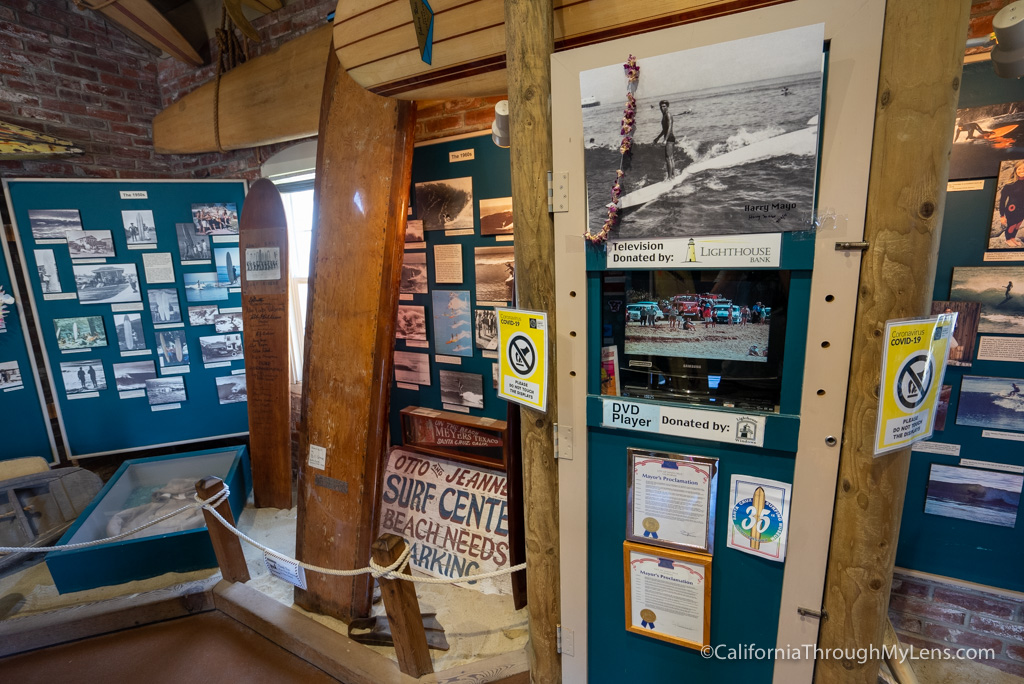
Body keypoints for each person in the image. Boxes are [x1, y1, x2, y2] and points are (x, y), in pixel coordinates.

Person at [997, 162, 1024, 246]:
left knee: (1018, 224)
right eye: (1019, 169)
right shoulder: (1009, 185)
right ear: (1015, 170)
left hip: (1022, 209)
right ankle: (1008, 239)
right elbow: (1002, 201)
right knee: (1012, 225)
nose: (1022, 170)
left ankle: (1012, 238)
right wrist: (1002, 216)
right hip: (1012, 209)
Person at [652, 100, 676, 180]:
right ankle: (673, 176)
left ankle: (669, 178)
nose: (662, 108)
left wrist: (665, 139)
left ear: (667, 107)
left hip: (669, 138)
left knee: (668, 158)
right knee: (670, 158)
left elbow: (669, 128)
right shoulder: (664, 115)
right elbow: (664, 130)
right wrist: (657, 138)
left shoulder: (668, 115)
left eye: (664, 106)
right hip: (669, 137)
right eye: (661, 107)